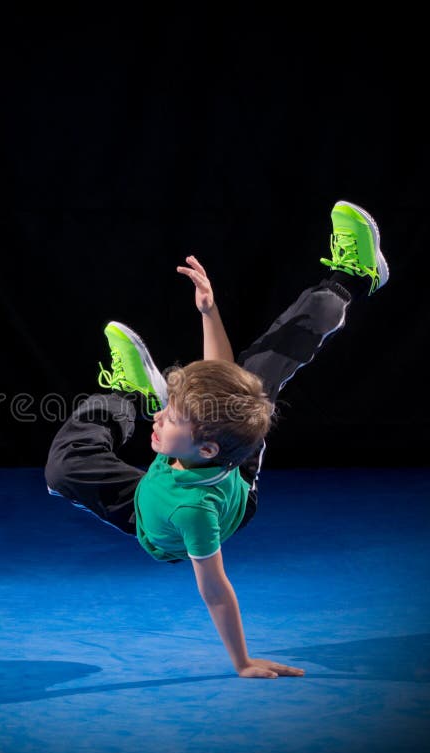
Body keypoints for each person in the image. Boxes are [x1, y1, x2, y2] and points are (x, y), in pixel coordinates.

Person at [45, 201, 389, 678]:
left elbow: (216, 591)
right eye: (164, 407)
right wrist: (210, 310)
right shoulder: (210, 439)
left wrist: (242, 662)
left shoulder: (192, 516)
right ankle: (352, 279)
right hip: (230, 471)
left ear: (204, 448)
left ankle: (125, 393)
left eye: (168, 415)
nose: (160, 417)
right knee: (251, 377)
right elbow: (221, 378)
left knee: (64, 469)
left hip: (153, 518)